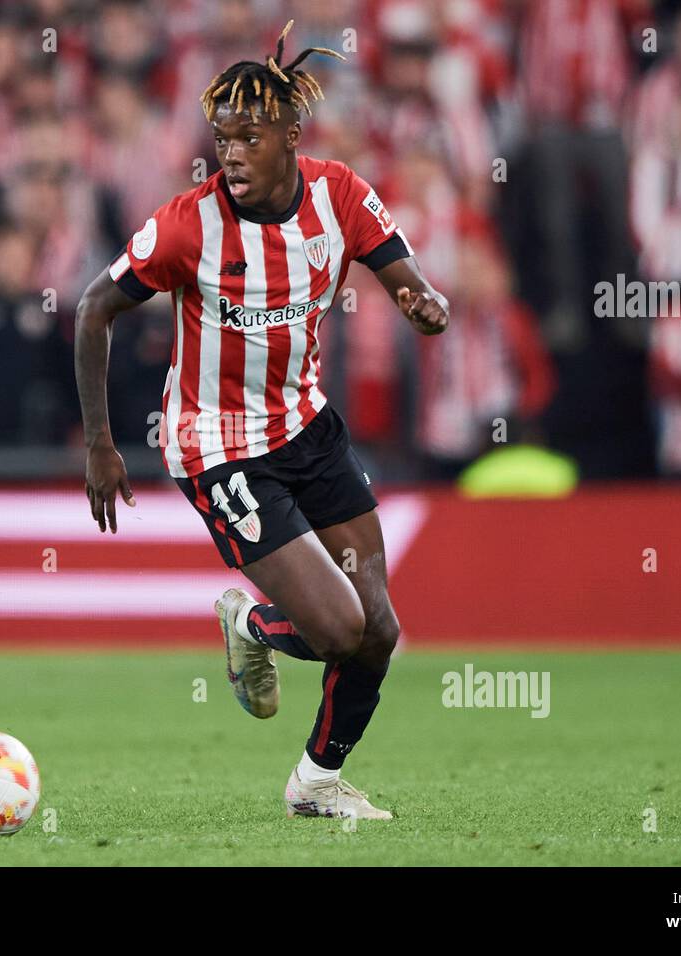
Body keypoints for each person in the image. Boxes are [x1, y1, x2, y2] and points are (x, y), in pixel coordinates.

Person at [74, 22, 449, 821]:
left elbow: (403, 272)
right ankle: (252, 618)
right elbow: (93, 310)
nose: (232, 154)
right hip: (218, 446)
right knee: (342, 628)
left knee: (377, 629)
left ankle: (316, 782)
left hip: (306, 425)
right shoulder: (187, 225)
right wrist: (101, 444)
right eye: (222, 138)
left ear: (290, 134)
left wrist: (421, 302)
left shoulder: (339, 193)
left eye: (249, 137)